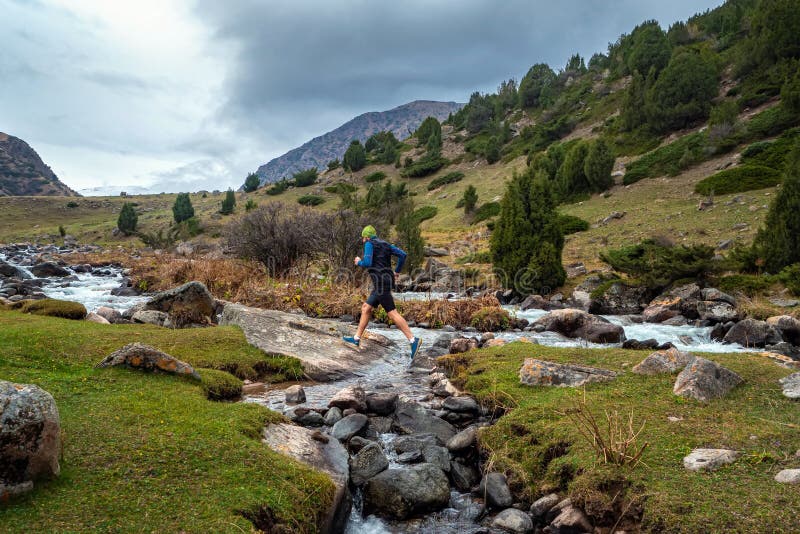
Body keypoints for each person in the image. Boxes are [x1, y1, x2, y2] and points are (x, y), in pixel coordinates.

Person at [342, 225, 422, 359]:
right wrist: (397, 271)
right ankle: (356, 338)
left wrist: (359, 262)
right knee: (366, 308)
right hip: (385, 280)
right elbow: (403, 255)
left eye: (363, 238)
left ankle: (413, 340)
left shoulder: (369, 244)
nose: (363, 241)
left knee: (392, 313)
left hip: (380, 282)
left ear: (367, 237)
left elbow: (367, 262)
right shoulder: (385, 244)